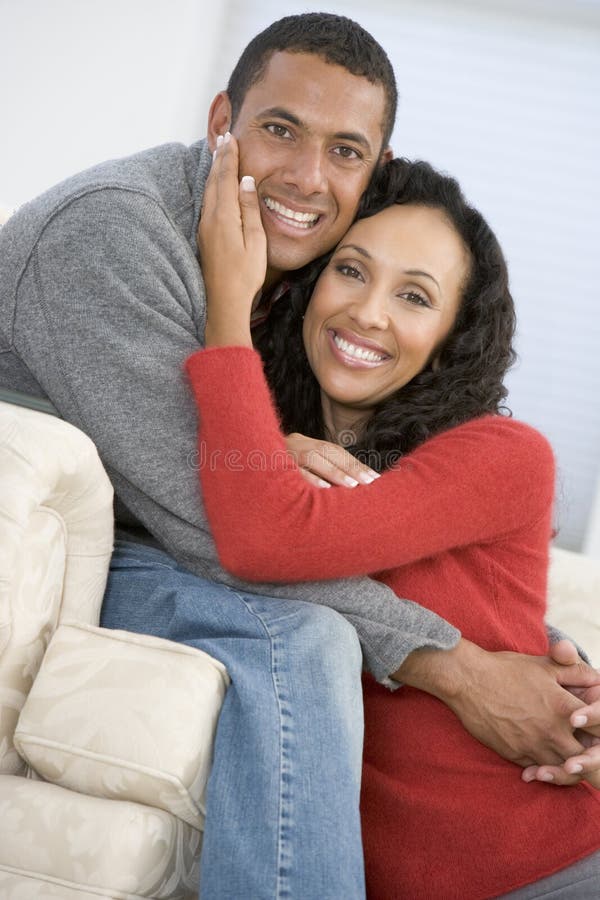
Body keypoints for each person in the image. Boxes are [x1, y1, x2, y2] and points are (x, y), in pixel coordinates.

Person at [0, 11, 598, 897]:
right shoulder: (115, 234)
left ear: (375, 168)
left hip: (550, 853)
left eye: (344, 150)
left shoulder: (305, 294)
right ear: (222, 122)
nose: (308, 176)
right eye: (280, 129)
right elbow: (236, 527)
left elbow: (353, 534)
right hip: (114, 537)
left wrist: (553, 661)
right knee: (306, 638)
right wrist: (462, 669)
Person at [187, 139, 600, 898]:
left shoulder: (504, 456)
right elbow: (246, 530)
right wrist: (273, 449)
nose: (368, 312)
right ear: (310, 286)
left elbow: (270, 537)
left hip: (558, 866)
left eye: (414, 297)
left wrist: (227, 310)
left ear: (449, 342)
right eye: (350, 270)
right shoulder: (258, 464)